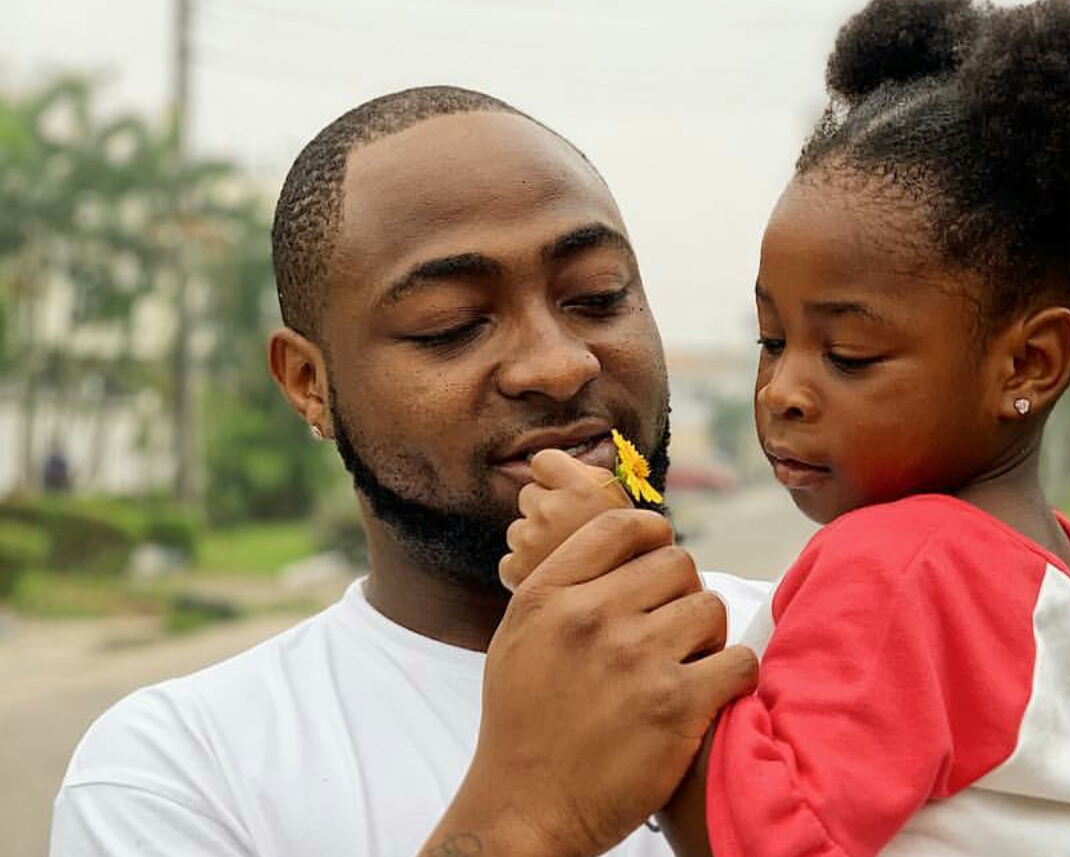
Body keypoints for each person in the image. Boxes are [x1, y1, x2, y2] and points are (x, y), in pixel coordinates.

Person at [501, 0, 1070, 855]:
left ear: (1027, 363)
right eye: (771, 340)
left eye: (848, 354)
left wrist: (598, 580)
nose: (781, 391)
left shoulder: (902, 564)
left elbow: (751, 837)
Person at [50, 86, 766, 857]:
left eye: (597, 296)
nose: (560, 364)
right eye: (450, 326)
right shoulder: (178, 773)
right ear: (309, 383)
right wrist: (533, 815)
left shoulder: (807, 640)